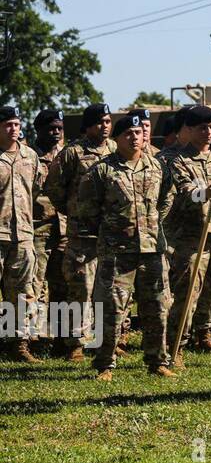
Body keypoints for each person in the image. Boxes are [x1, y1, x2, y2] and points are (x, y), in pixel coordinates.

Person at [81, 112, 174, 380]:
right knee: (111, 308)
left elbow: (167, 198)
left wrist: (152, 223)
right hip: (116, 252)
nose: (135, 138)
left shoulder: (157, 167)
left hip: (151, 250)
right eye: (128, 134)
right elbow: (88, 209)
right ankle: (104, 364)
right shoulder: (103, 169)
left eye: (138, 133)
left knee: (157, 307)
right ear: (117, 138)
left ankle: (157, 361)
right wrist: (111, 230)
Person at [161, 105, 211, 367]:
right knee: (187, 298)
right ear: (189, 130)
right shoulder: (178, 160)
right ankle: (177, 348)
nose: (208, 132)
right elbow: (184, 193)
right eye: (202, 128)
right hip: (193, 239)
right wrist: (204, 193)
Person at [45, 103, 114, 361]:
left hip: (109, 234)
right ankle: (74, 343)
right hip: (82, 234)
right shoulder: (72, 152)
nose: (105, 126)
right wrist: (75, 209)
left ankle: (106, 340)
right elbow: (54, 188)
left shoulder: (116, 150)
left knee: (107, 290)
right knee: (81, 289)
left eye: (107, 121)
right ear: (87, 126)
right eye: (99, 122)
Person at [0, 105, 43, 362]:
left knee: (22, 293)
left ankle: (18, 344)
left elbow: (36, 189)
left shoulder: (30, 156)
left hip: (23, 234)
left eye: (16, 124)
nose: (13, 129)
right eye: (8, 125)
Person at [31, 109, 66, 351]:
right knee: (35, 285)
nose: (55, 132)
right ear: (39, 130)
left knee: (62, 284)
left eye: (59, 128)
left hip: (64, 228)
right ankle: (35, 338)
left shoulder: (68, 155)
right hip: (37, 228)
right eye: (51, 128)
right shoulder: (28, 156)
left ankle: (61, 338)